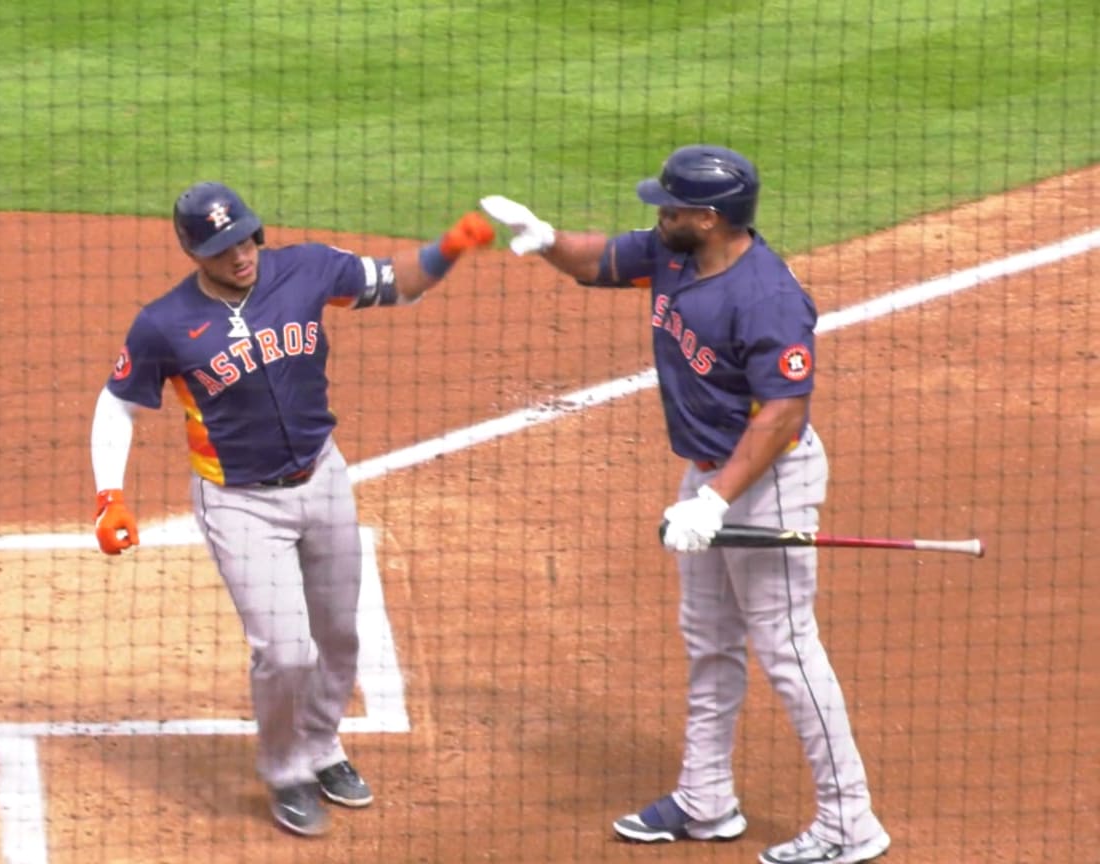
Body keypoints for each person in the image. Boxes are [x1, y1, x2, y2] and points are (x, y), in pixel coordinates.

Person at [480, 146, 891, 864]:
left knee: (789, 649)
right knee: (708, 643)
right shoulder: (673, 254)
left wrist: (715, 503)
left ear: (709, 217)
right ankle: (706, 800)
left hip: (767, 480)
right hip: (710, 480)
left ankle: (850, 822)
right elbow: (597, 260)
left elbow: (783, 416)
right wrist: (546, 241)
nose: (658, 214)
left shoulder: (766, 297)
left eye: (670, 206)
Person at [90, 181, 493, 836]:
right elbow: (119, 403)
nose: (241, 254)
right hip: (239, 502)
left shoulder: (306, 268)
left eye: (246, 237)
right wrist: (110, 494)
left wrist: (448, 248)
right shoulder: (164, 322)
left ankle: (322, 743)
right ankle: (284, 770)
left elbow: (395, 282)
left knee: (338, 634)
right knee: (284, 651)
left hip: (324, 478)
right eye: (222, 248)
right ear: (194, 251)